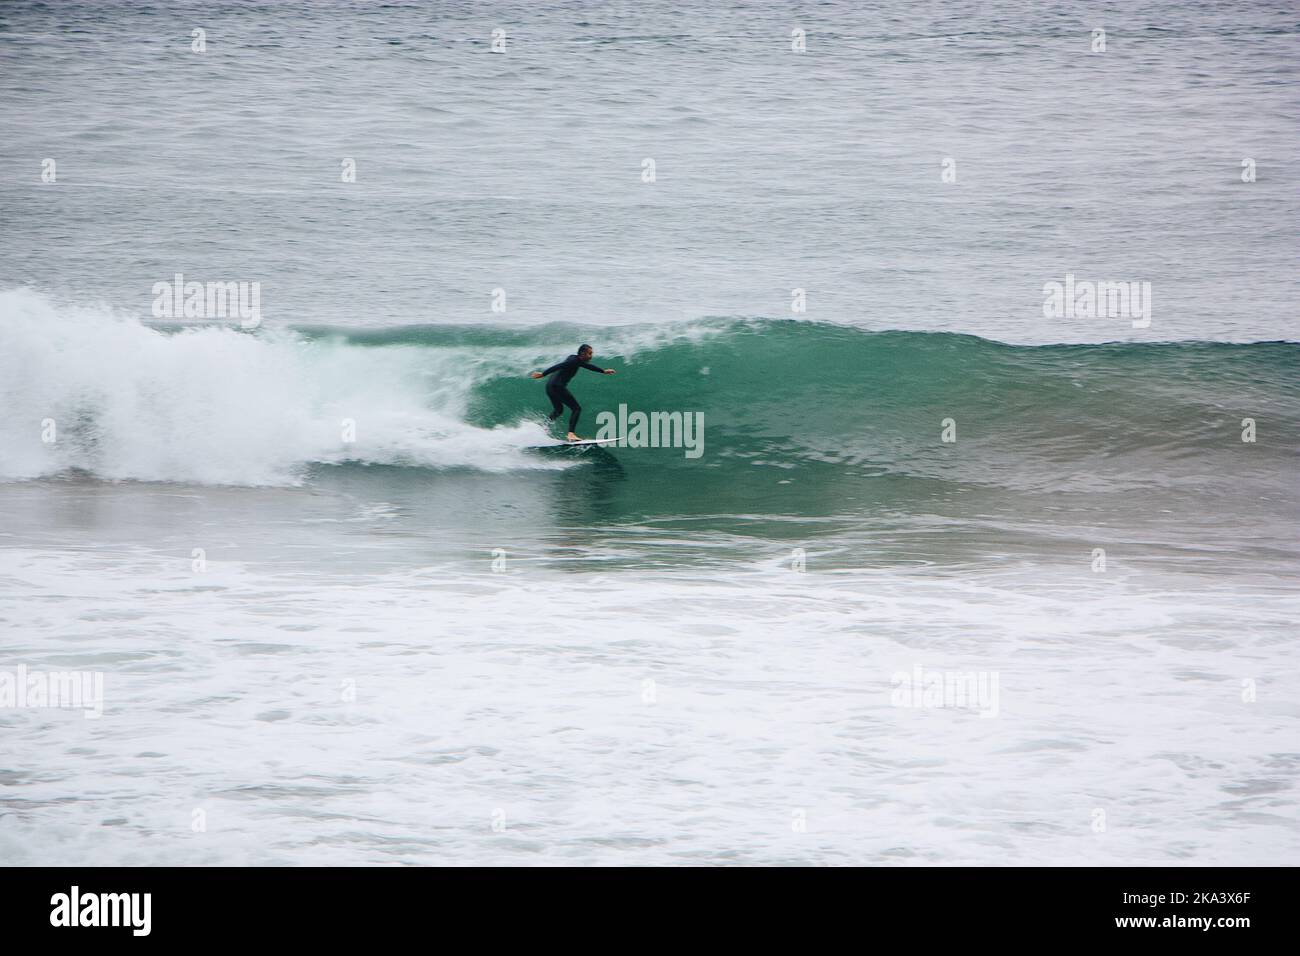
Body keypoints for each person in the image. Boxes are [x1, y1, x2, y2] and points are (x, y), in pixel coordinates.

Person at [530, 344, 615, 441]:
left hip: (550, 386)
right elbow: (559, 366)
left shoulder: (575, 359)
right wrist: (543, 374)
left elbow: (588, 366)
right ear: (583, 353)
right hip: (557, 386)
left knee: (559, 410)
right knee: (576, 408)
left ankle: (542, 428)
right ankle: (571, 434)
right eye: (590, 353)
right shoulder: (573, 361)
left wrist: (603, 371)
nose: (591, 355)